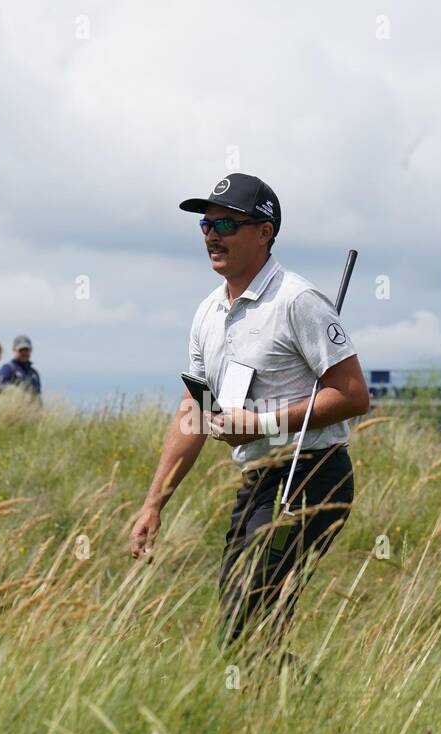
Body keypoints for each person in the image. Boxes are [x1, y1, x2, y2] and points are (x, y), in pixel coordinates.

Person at [128, 173, 370, 666]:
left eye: (226, 224)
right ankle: (293, 712)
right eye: (205, 224)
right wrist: (155, 503)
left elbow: (352, 394)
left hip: (313, 474)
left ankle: (280, 711)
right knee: (244, 620)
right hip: (259, 481)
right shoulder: (207, 313)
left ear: (265, 232)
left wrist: (259, 424)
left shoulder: (298, 301)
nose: (212, 234)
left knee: (247, 613)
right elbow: (192, 409)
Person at [0, 335, 42, 400]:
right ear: (14, 350)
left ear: (31, 350)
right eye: (21, 350)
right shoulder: (8, 369)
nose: (24, 353)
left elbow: (38, 396)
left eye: (26, 350)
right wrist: (20, 394)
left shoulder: (34, 373)